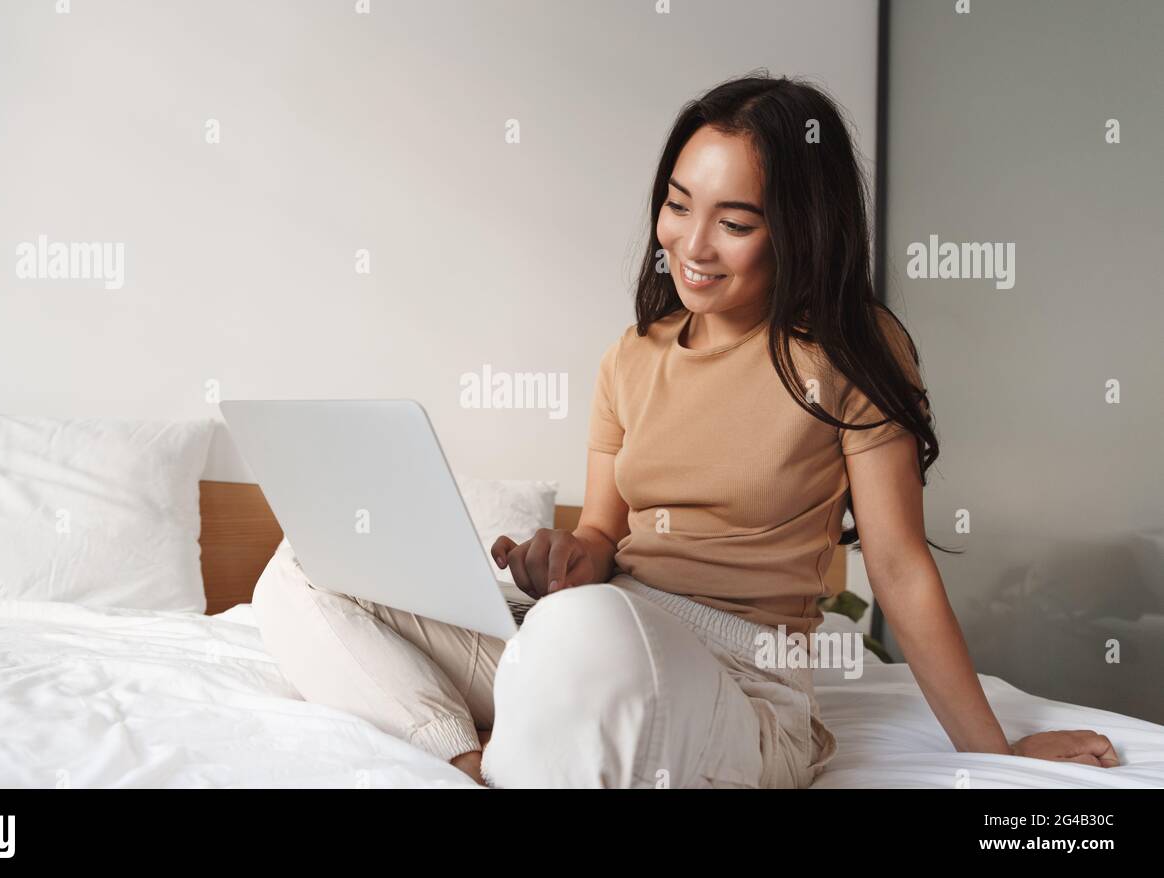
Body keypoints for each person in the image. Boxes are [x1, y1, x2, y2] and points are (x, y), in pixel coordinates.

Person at [252, 72, 1119, 788]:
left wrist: (991, 749)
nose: (691, 245)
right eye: (677, 206)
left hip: (739, 677)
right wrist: (563, 561)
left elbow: (896, 566)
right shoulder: (631, 356)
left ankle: (539, 720)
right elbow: (602, 534)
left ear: (800, 231)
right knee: (301, 568)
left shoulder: (851, 352)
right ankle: (469, 758)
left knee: (581, 636)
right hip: (593, 635)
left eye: (735, 222)